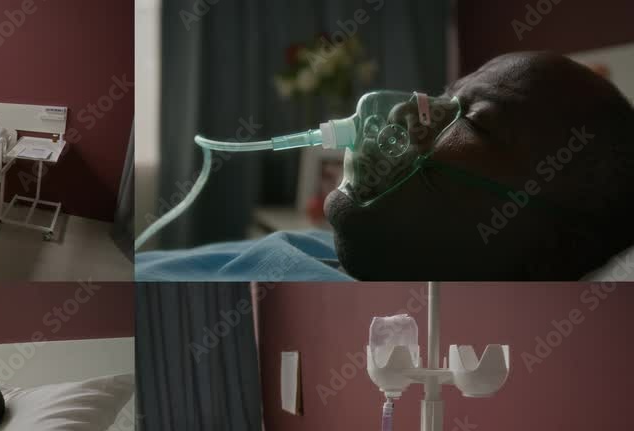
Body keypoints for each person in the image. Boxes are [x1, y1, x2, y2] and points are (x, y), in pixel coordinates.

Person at [136, 52, 634, 281]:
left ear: (547, 249)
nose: (401, 113)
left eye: (477, 122)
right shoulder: (315, 245)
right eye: (444, 97)